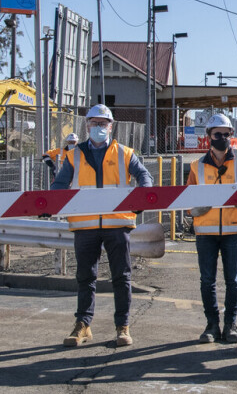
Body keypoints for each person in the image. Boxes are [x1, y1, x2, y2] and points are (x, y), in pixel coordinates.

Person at [52, 104, 153, 348]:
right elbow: (59, 186)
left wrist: (142, 198)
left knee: (121, 277)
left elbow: (144, 177)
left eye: (103, 123)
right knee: (85, 277)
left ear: (111, 126)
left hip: (117, 224)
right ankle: (83, 324)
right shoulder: (74, 155)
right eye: (94, 123)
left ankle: (122, 326)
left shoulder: (124, 153)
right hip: (85, 225)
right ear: (87, 126)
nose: (98, 127)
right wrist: (51, 203)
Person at [187, 114, 237, 344]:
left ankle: (230, 325)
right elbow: (186, 197)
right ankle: (212, 325)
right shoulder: (196, 165)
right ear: (208, 136)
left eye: (226, 134)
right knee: (207, 280)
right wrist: (193, 210)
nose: (222, 138)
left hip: (234, 229)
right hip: (206, 231)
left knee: (233, 279)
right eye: (217, 134)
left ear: (231, 135)